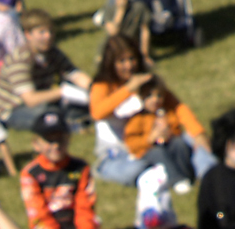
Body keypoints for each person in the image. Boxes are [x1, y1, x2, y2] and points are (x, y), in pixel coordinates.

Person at [88, 36, 213, 190]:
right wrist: (129, 89)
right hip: (121, 152)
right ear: (111, 63)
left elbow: (177, 107)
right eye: (122, 61)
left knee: (192, 142)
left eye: (132, 59)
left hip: (158, 142)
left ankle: (210, 174)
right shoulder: (102, 85)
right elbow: (97, 112)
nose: (129, 65)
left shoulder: (146, 82)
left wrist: (198, 133)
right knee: (135, 169)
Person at [16, 109, 98, 229]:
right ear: (36, 144)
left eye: (60, 139)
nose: (56, 145)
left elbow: (85, 208)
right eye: (49, 140)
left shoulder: (80, 167)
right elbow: (39, 218)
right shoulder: (30, 174)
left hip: (74, 224)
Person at [0, 9, 88, 131]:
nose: (48, 36)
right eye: (42, 32)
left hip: (43, 100)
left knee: (84, 103)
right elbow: (30, 99)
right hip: (15, 108)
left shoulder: (52, 52)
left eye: (50, 31)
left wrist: (94, 89)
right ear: (28, 35)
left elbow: (74, 74)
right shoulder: (20, 60)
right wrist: (63, 92)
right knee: (49, 115)